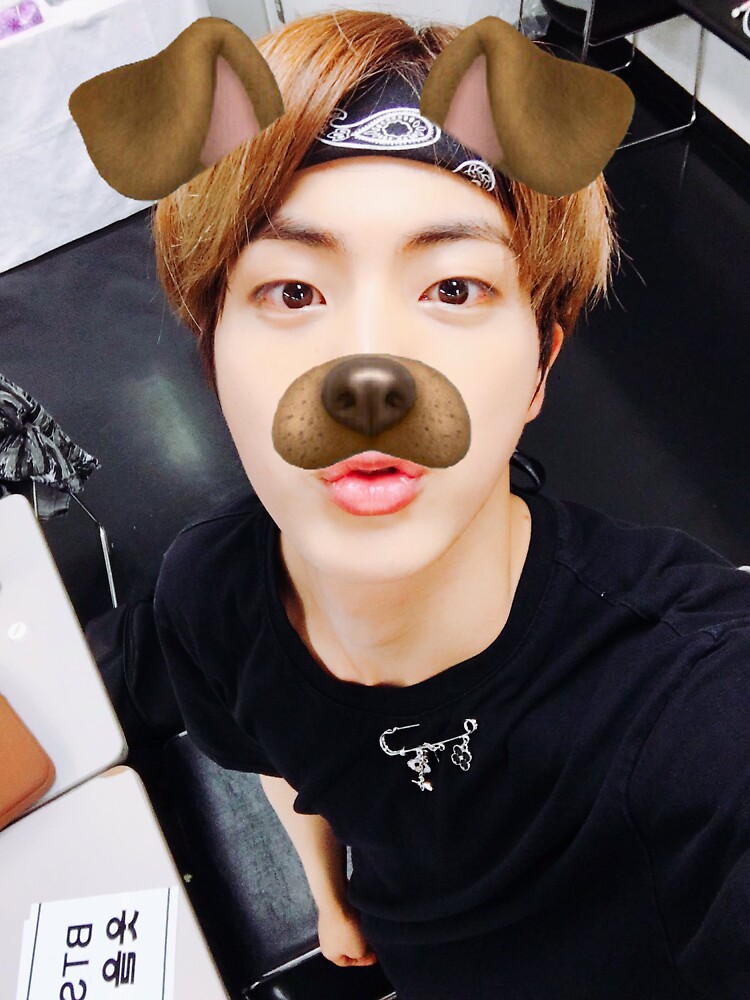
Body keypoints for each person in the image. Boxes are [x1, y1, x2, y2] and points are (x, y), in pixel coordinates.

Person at [151, 9, 750, 999]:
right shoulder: (207, 595)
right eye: (294, 292)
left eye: (455, 288)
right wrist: (331, 899)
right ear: (212, 357)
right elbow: (278, 758)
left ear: (541, 366)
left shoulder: (694, 693)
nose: (367, 377)